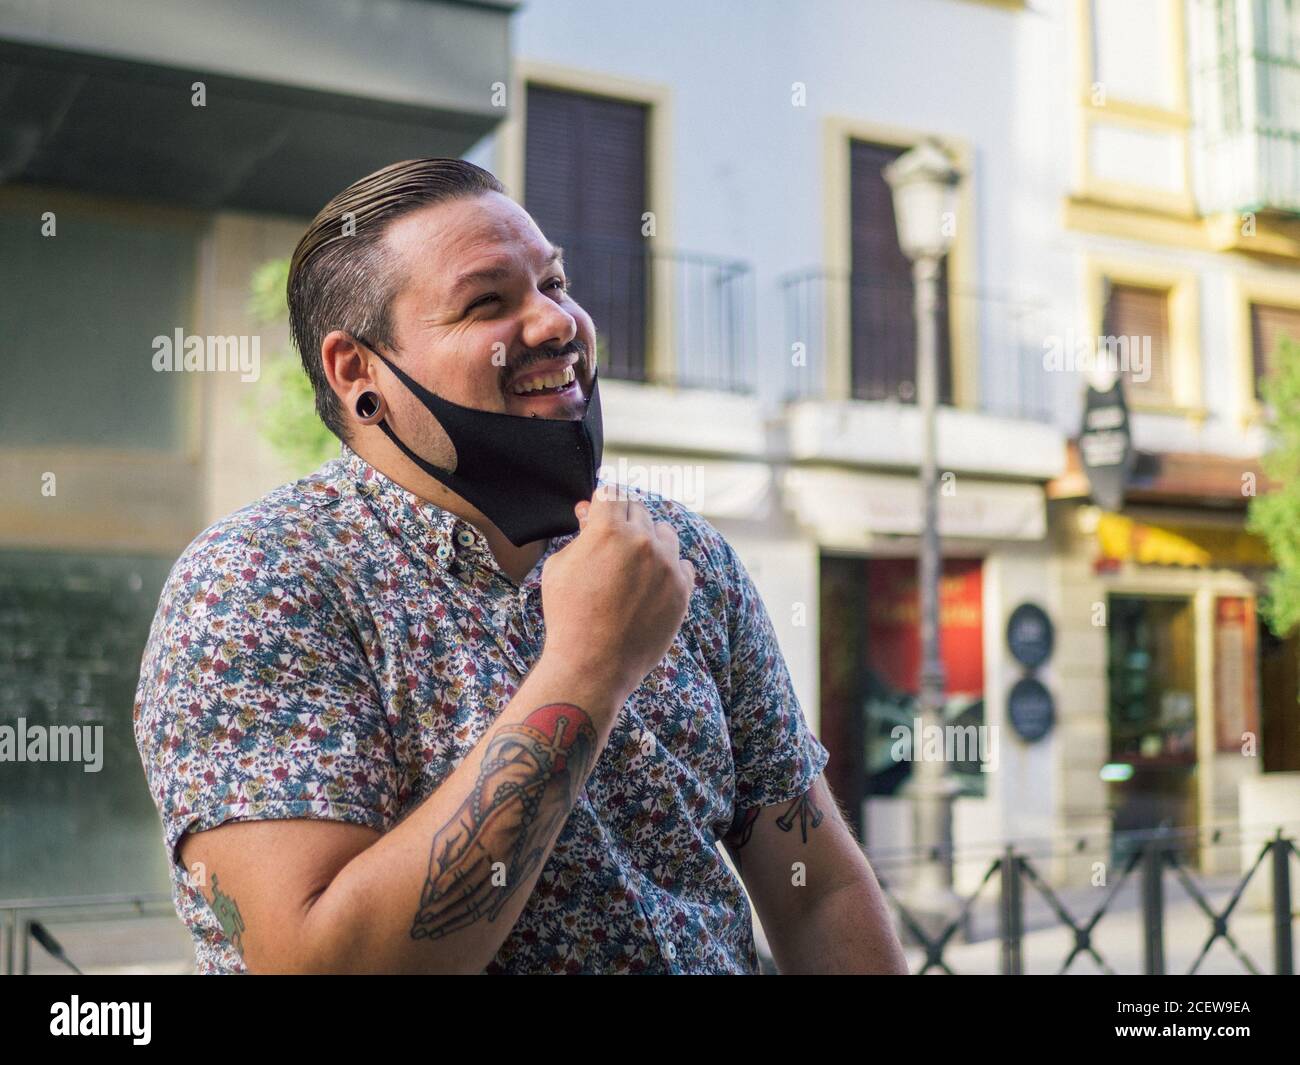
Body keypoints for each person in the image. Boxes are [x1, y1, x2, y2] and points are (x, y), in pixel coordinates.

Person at [132, 157, 908, 975]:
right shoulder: (259, 581)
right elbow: (324, 962)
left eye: (555, 283)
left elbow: (815, 886)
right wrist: (589, 665)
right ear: (358, 372)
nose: (556, 322)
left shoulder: (677, 550)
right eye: (487, 302)